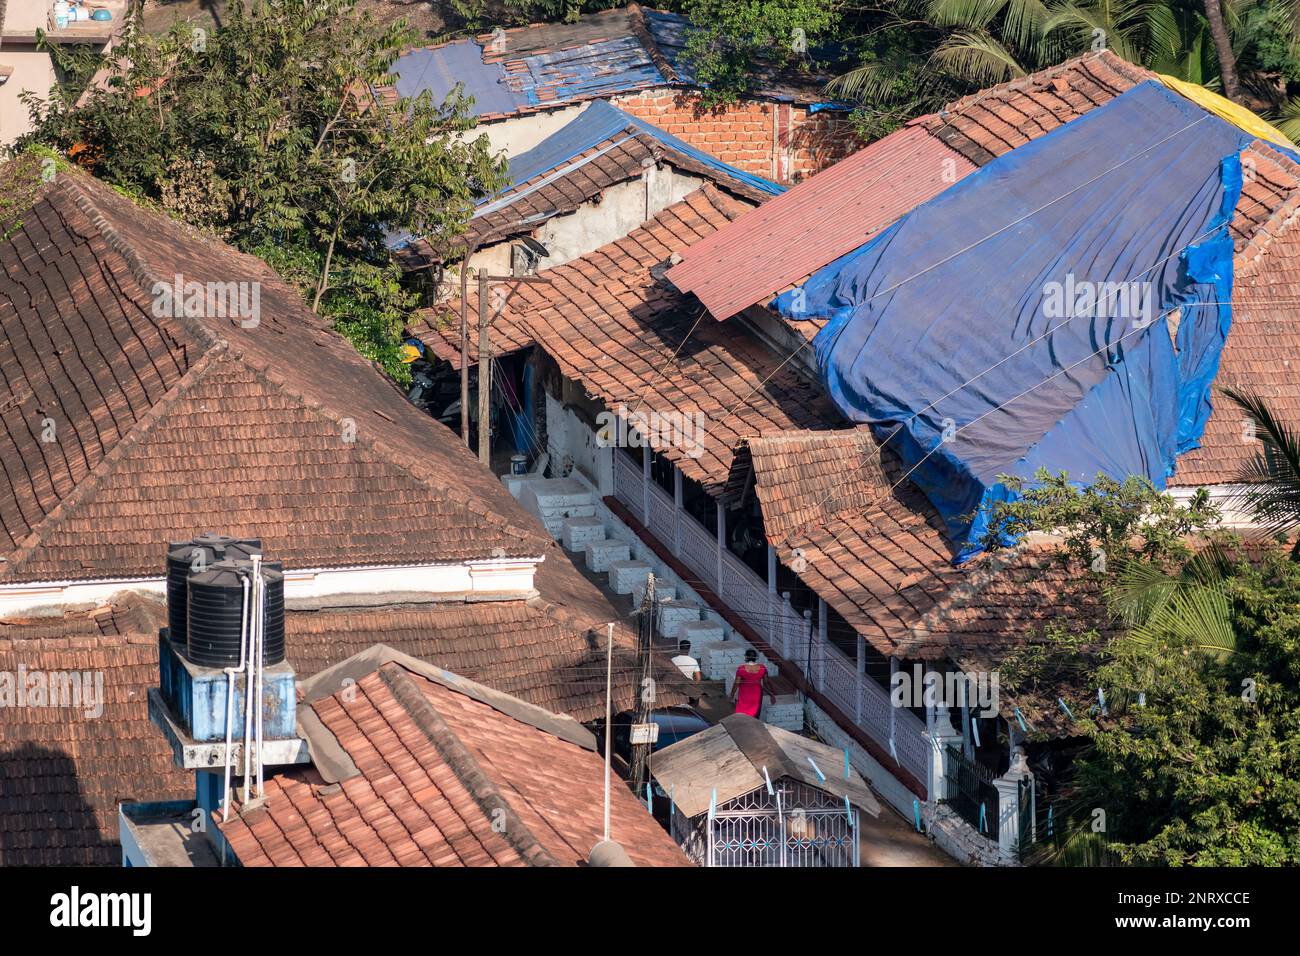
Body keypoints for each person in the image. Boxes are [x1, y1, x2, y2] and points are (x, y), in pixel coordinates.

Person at [731, 649, 775, 719]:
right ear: (755, 658)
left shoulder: (741, 669)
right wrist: (771, 695)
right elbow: (766, 683)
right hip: (756, 695)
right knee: (754, 714)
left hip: (744, 695)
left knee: (741, 714)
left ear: (746, 657)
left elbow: (736, 683)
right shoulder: (762, 668)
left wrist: (732, 695)